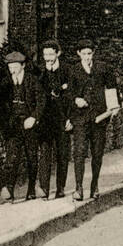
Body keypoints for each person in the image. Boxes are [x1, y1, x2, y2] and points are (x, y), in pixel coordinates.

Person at [66, 42, 122, 200]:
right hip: (80, 118)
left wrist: (114, 106)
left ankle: (94, 185)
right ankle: (78, 188)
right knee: (79, 153)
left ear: (93, 53)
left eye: (89, 53)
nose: (87, 57)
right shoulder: (73, 70)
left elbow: (112, 89)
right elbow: (69, 93)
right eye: (84, 53)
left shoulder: (102, 68)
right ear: (78, 53)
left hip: (99, 118)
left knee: (97, 153)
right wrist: (76, 99)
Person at [0, 51, 44, 202]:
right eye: (10, 66)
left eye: (15, 66)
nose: (12, 69)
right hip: (13, 126)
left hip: (29, 125)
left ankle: (31, 189)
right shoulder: (5, 83)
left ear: (23, 65)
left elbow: (41, 102)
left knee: (32, 157)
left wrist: (34, 118)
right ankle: (9, 189)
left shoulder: (33, 80)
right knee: (11, 158)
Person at [36, 41, 72, 199]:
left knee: (62, 154)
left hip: (62, 118)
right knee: (44, 154)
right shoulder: (40, 71)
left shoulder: (67, 70)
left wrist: (70, 118)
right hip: (46, 120)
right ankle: (44, 188)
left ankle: (60, 188)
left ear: (58, 53)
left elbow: (72, 97)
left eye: (51, 54)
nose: (48, 58)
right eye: (45, 55)